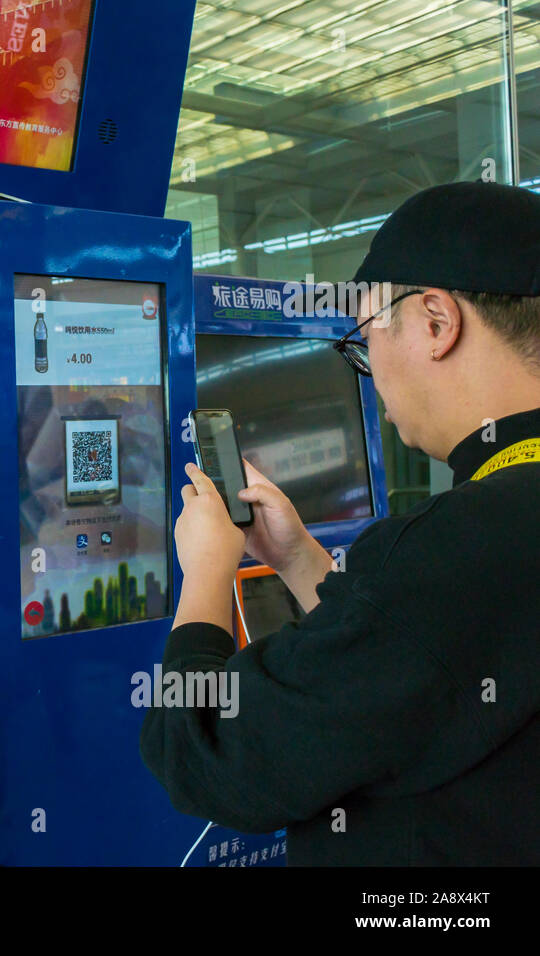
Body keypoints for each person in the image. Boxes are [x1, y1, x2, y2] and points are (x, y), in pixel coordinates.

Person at [139, 181, 540, 865]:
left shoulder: (445, 551)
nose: (373, 382)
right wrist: (301, 562)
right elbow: (419, 670)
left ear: (438, 323)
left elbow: (204, 748)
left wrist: (204, 576)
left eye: (363, 344)